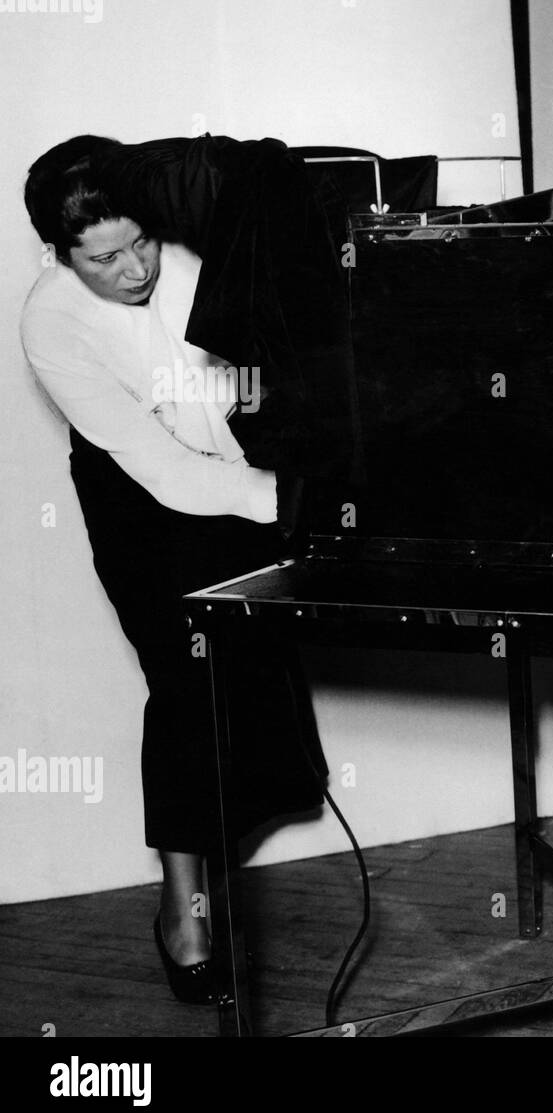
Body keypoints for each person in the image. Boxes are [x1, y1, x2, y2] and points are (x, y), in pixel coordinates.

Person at [21, 136, 328, 1005]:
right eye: (102, 258)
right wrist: (293, 502)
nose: (132, 268)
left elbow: (247, 398)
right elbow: (159, 468)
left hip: (241, 467)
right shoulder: (50, 323)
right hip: (138, 497)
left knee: (249, 675)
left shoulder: (200, 256)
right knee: (184, 678)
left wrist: (303, 487)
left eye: (141, 242)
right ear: (60, 253)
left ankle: (215, 866)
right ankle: (182, 908)